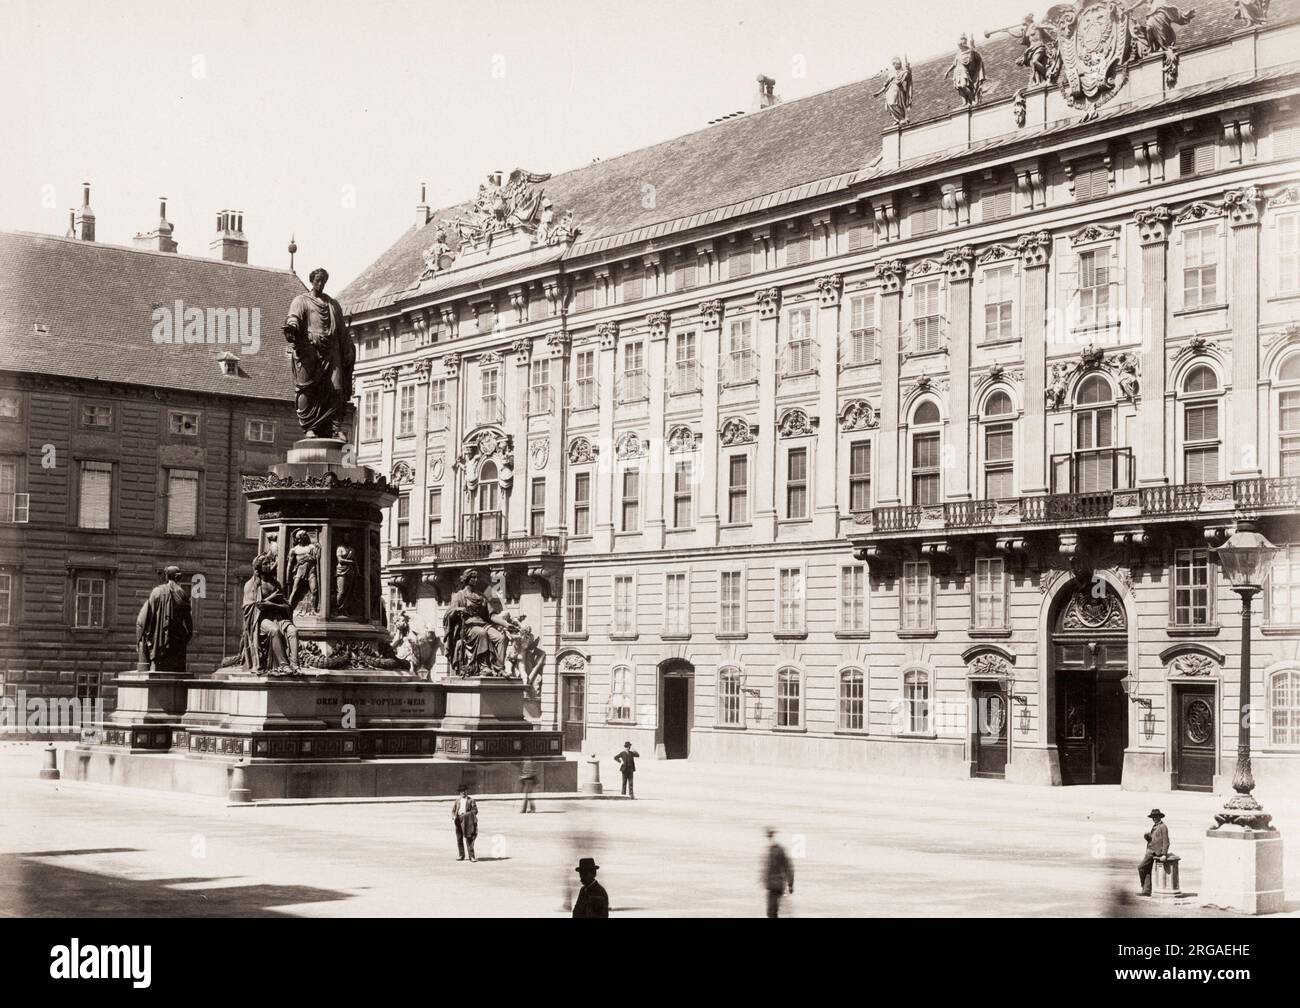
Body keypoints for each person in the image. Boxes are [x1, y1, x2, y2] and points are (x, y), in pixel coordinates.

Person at [283, 267, 355, 438]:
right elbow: (293, 318)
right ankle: (309, 427)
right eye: (318, 280)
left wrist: (348, 349)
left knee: (337, 389)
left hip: (332, 352)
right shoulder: (301, 301)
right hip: (309, 351)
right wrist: (293, 327)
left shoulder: (333, 304)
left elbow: (342, 332)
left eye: (324, 280)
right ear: (312, 281)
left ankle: (335, 428)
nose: (321, 284)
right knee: (307, 389)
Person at [239, 553, 299, 674]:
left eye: (269, 563)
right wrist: (270, 600)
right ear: (258, 567)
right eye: (265, 564)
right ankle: (283, 665)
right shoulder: (251, 585)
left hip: (278, 617)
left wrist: (273, 605)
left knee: (293, 631)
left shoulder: (275, 584)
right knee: (274, 630)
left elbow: (287, 606)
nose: (269, 565)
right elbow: (251, 607)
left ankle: (295, 665)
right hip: (261, 620)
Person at [135, 565, 193, 673]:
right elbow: (188, 620)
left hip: (160, 641)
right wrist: (188, 635)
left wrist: (145, 636)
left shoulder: (157, 591)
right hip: (177, 643)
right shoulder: (183, 594)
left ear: (167, 576)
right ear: (178, 577)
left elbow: (149, 617)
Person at [763, 828, 795, 918]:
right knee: (774, 910)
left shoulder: (774, 850)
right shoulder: (775, 850)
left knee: (772, 911)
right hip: (776, 885)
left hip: (774, 885)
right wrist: (790, 884)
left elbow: (787, 867)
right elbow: (788, 868)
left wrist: (790, 884)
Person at [1139, 808, 1170, 896]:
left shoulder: (1163, 827)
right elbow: (1154, 840)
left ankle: (1144, 887)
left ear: (1160, 817)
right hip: (1149, 850)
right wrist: (1147, 837)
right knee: (1147, 870)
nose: (1154, 818)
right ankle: (1146, 891)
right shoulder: (1154, 826)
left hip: (1154, 852)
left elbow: (1166, 841)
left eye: (1156, 817)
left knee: (1141, 867)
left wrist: (1164, 854)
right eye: (1153, 817)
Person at [452, 784, 478, 862]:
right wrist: (453, 816)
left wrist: (466, 815)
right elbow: (453, 810)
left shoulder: (471, 800)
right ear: (459, 793)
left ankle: (472, 856)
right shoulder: (457, 801)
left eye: (464, 791)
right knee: (459, 838)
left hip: (467, 821)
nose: (463, 792)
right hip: (458, 820)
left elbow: (475, 811)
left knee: (469, 838)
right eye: (461, 791)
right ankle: (461, 855)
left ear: (467, 791)